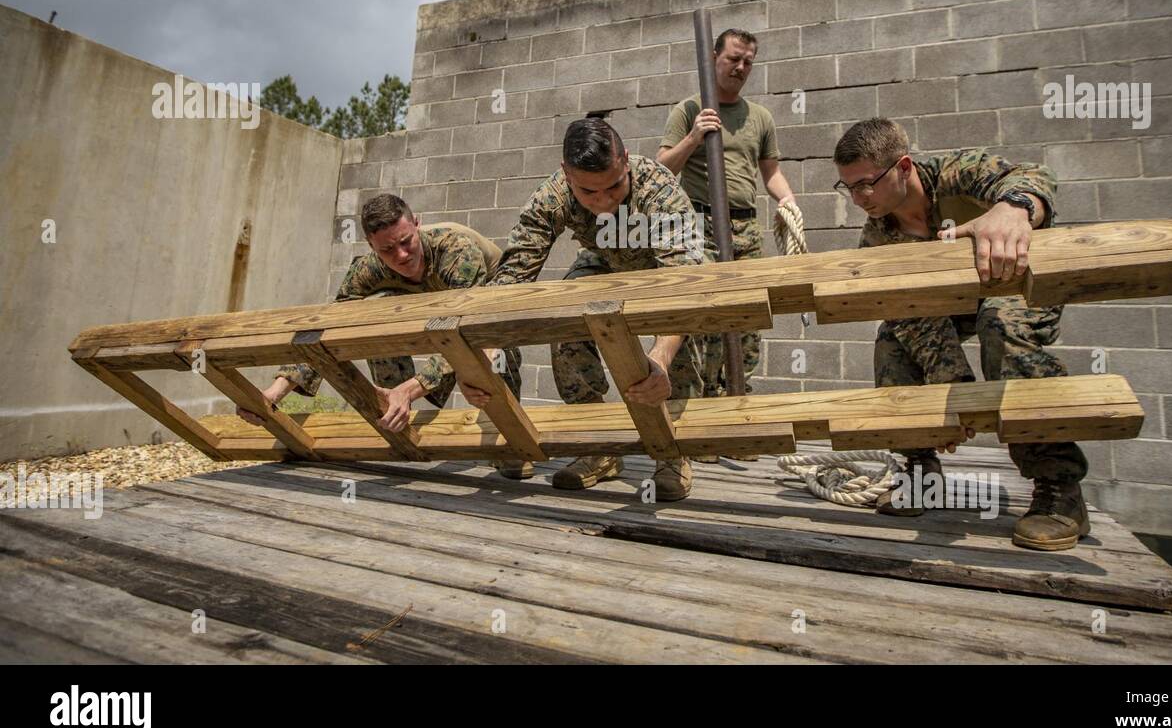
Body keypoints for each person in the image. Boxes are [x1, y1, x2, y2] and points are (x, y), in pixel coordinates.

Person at [832, 117, 1091, 551]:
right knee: (891, 343)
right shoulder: (878, 237)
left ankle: (1058, 489)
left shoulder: (957, 175)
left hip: (1013, 283)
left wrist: (1013, 209)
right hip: (946, 306)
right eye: (849, 188)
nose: (859, 199)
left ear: (904, 167)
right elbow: (904, 312)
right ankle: (920, 468)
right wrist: (951, 384)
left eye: (866, 184)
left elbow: (1034, 176)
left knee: (1001, 325)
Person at [460, 116, 706, 501]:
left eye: (614, 186)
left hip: (660, 268)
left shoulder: (659, 187)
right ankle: (597, 446)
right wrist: (483, 353)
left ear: (625, 160)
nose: (604, 201)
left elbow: (681, 286)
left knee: (675, 349)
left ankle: (672, 453)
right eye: (588, 193)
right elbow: (513, 276)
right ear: (566, 174)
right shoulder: (552, 196)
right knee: (566, 313)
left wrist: (660, 353)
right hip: (604, 260)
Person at [236, 194, 529, 479]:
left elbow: (463, 328)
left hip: (485, 314)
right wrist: (275, 391)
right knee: (369, 311)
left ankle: (512, 444)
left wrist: (415, 388)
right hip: (433, 312)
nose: (401, 255)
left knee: (495, 348)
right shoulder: (367, 269)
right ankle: (395, 412)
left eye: (406, 242)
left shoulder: (457, 251)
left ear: (416, 223)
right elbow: (327, 329)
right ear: (371, 246)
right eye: (388, 250)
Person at [657, 28, 797, 403]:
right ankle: (699, 407)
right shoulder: (689, 110)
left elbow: (771, 173)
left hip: (745, 227)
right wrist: (692, 138)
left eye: (748, 62)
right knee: (703, 314)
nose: (740, 67)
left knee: (748, 317)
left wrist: (788, 200)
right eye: (733, 58)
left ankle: (736, 403)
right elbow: (661, 170)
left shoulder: (760, 117)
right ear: (713, 58)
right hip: (698, 225)